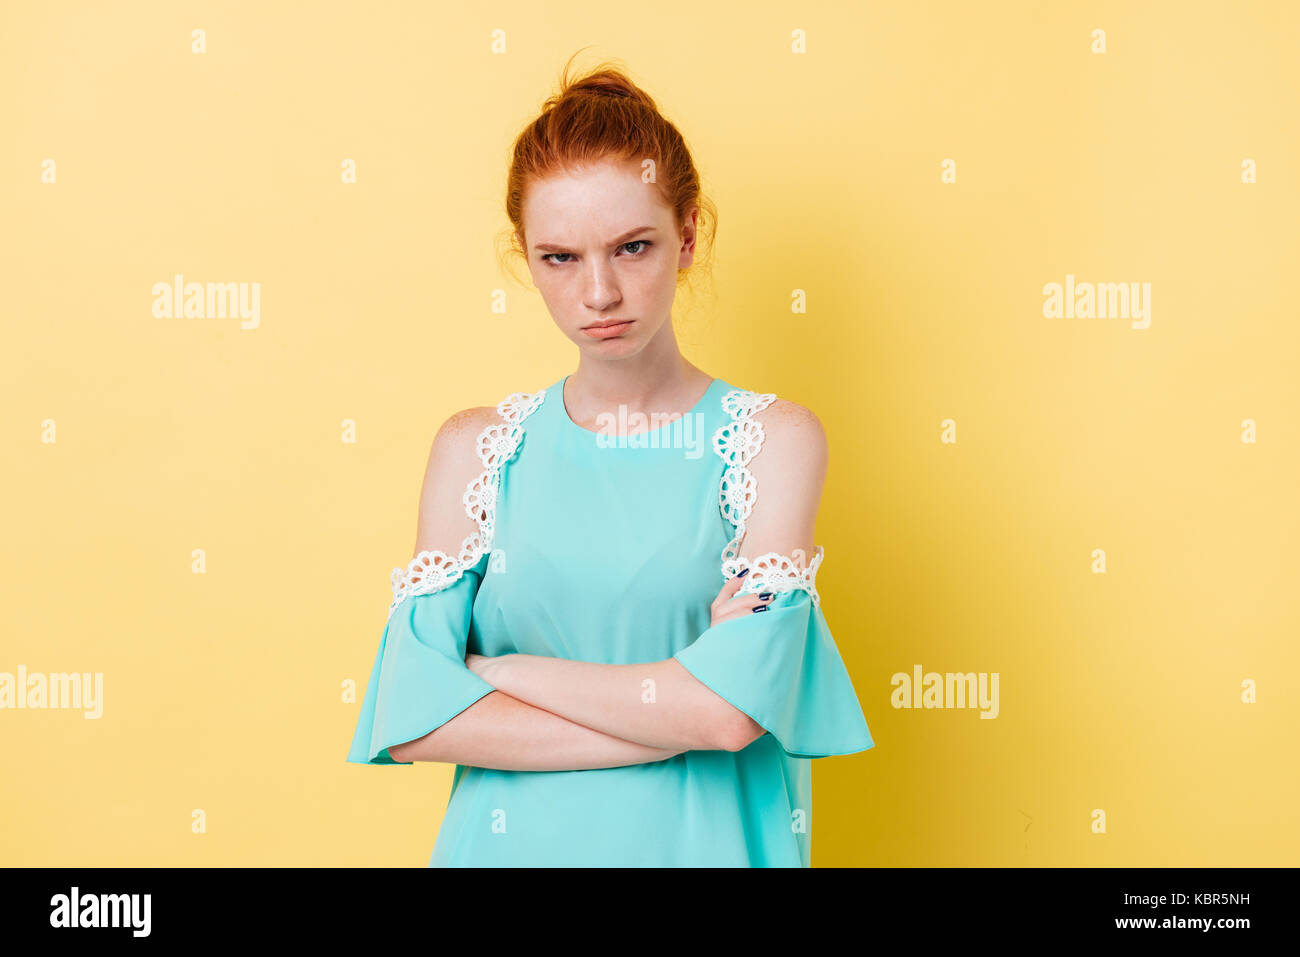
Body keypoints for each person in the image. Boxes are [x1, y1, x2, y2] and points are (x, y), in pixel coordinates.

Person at [346, 55, 875, 867]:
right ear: (526, 258)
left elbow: (729, 718)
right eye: (561, 257)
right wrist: (674, 697)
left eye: (632, 246)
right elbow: (417, 718)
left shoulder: (774, 440)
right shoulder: (474, 450)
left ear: (688, 235)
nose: (599, 292)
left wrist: (501, 670)